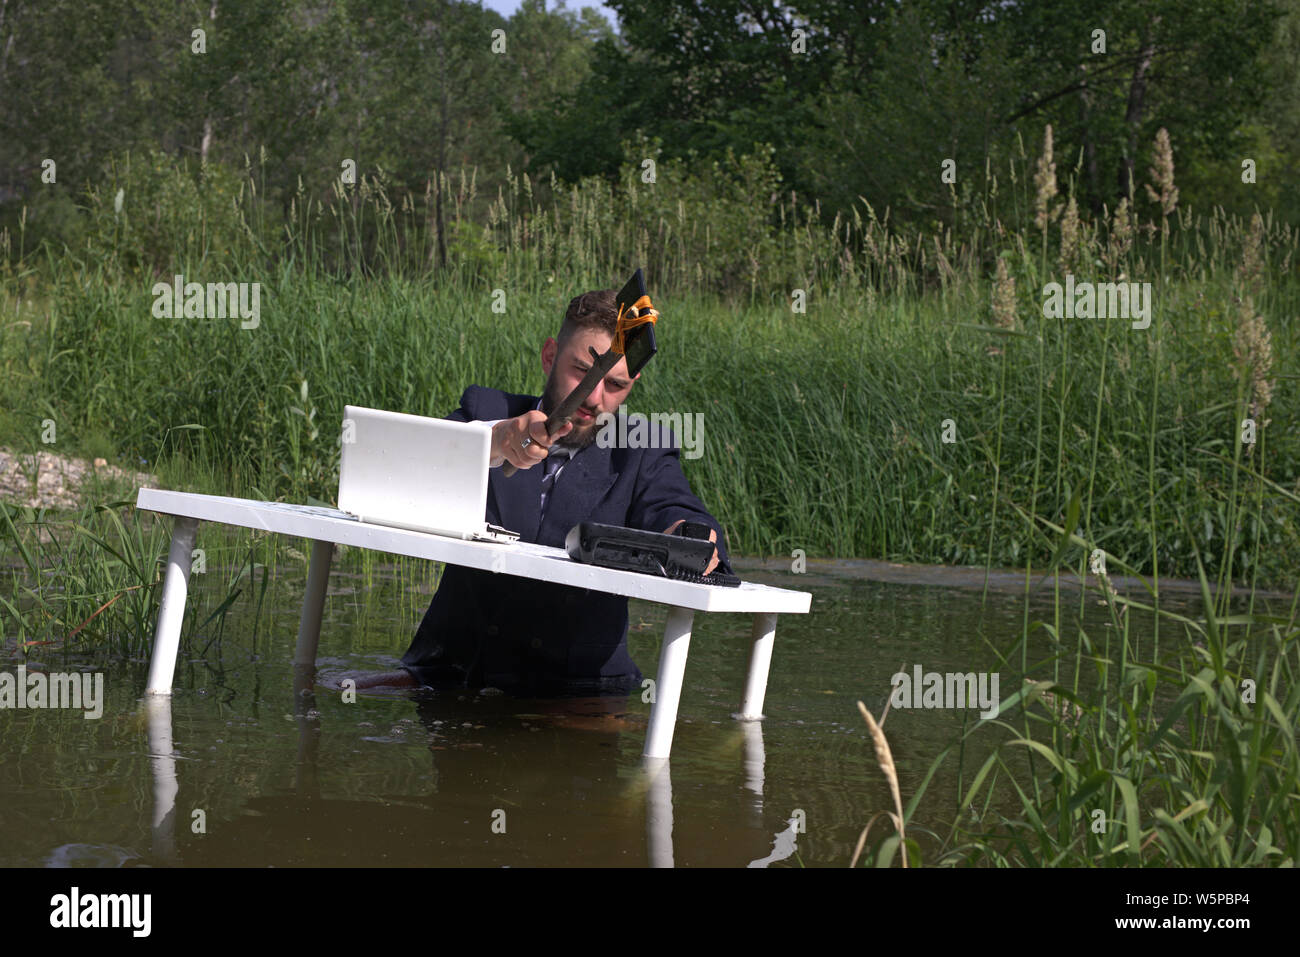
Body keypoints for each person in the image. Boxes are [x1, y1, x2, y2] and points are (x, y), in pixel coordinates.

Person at [365, 288, 732, 698]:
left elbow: (677, 508)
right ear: (549, 355)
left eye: (615, 384)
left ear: (633, 384)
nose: (593, 398)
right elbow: (408, 470)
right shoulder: (486, 408)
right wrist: (495, 442)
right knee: (329, 690)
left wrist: (688, 536)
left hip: (579, 690)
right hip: (449, 673)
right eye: (582, 371)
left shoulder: (641, 451)